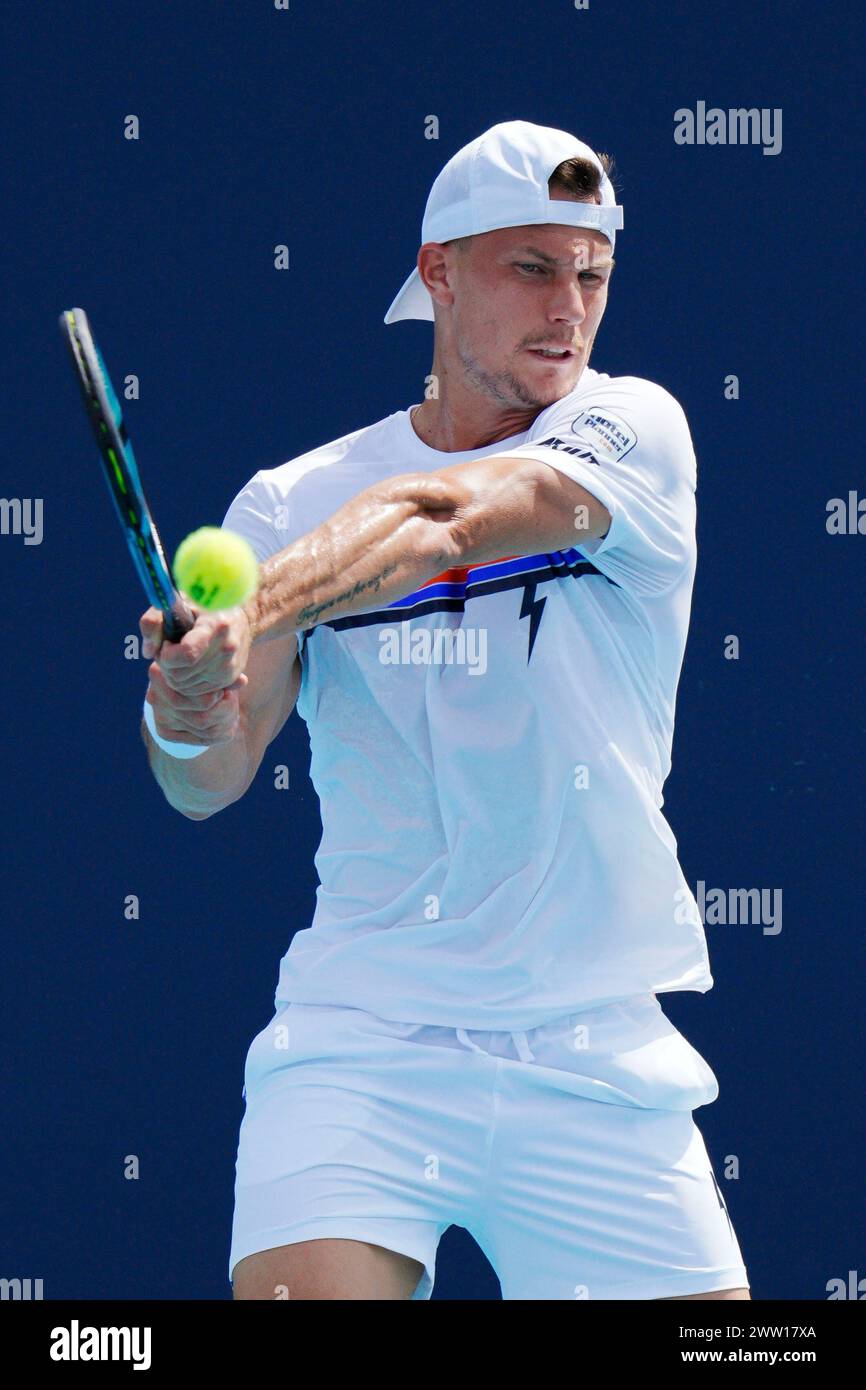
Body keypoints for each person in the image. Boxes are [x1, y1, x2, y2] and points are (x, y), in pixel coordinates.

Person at [140, 120, 751, 1302]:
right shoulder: (289, 499)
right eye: (531, 267)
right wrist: (189, 700)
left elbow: (447, 519)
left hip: (595, 1052)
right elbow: (205, 779)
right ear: (437, 272)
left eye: (591, 274)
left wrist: (254, 609)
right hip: (363, 1040)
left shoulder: (634, 433)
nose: (567, 307)